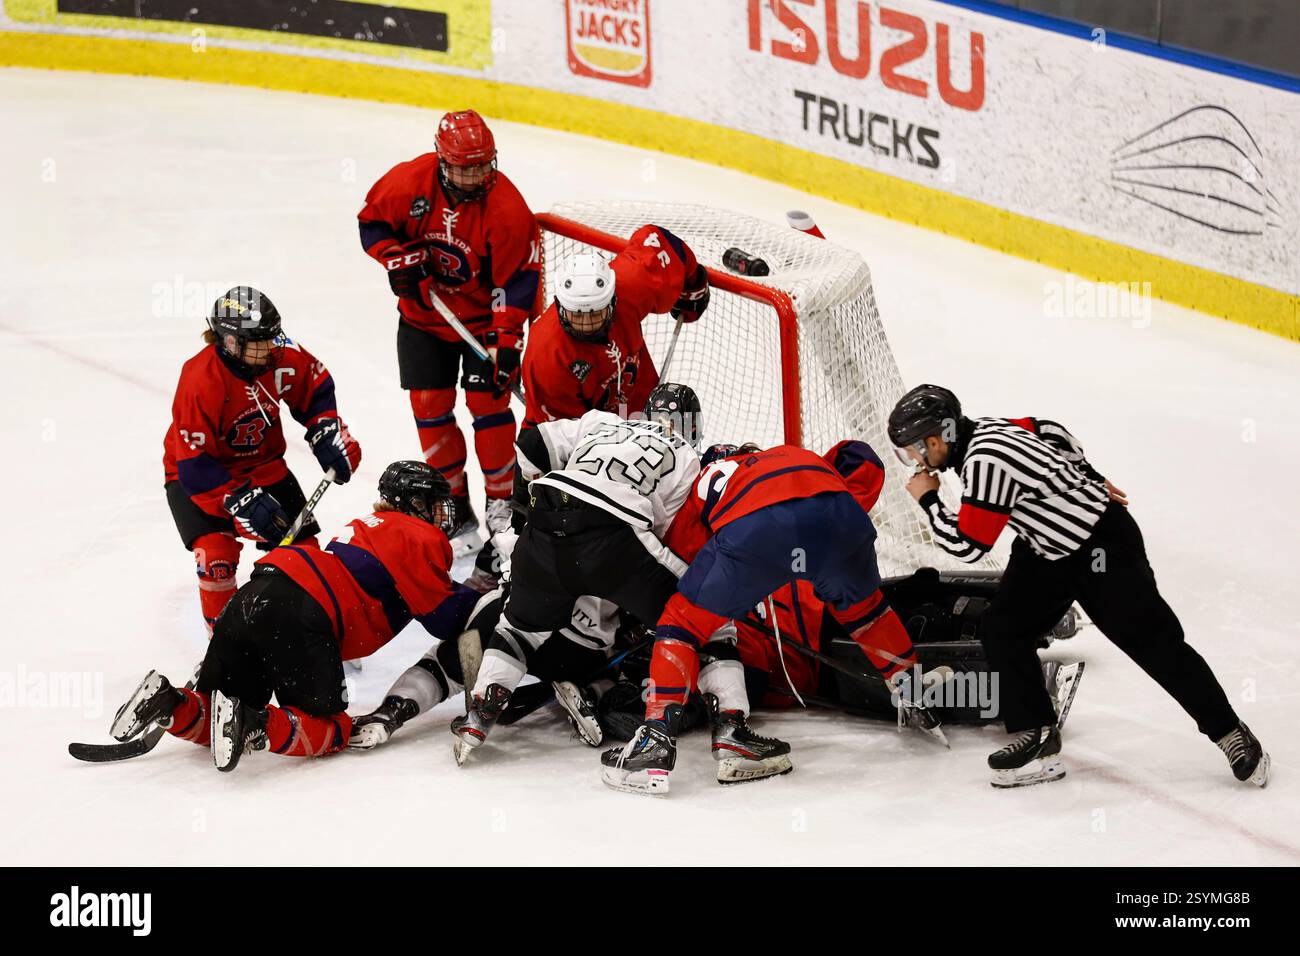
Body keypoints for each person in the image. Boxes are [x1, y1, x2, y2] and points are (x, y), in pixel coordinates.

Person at [887, 384, 1269, 788]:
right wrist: (1087, 478)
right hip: (1046, 551)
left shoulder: (985, 461)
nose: (912, 459)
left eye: (912, 449)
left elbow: (968, 546)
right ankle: (1038, 737)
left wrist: (929, 500)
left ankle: (1230, 732)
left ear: (935, 440)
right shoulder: (989, 430)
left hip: (1101, 547)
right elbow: (1050, 431)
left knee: (1152, 642)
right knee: (1004, 627)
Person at [600, 439, 935, 795]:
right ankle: (914, 693)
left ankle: (655, 741)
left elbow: (683, 561)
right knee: (868, 613)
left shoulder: (708, 476)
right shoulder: (791, 453)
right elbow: (864, 459)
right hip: (841, 515)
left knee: (681, 623)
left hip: (757, 529)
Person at [111, 462, 479, 772]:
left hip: (254, 594)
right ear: (414, 503)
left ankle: (170, 704)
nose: (440, 514)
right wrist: (492, 597)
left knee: (217, 707)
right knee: (332, 728)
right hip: (300, 612)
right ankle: (253, 723)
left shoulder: (365, 526)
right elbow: (446, 618)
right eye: (434, 504)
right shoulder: (418, 534)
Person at [449, 385, 705, 765]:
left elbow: (530, 443)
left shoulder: (602, 422)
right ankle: (724, 719)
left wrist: (526, 512)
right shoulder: (688, 457)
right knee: (694, 614)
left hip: (545, 527)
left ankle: (480, 713)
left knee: (517, 624)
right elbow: (662, 537)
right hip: (612, 544)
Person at [358, 109, 540, 548]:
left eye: (482, 165)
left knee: (491, 409)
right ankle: (451, 504)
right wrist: (399, 262)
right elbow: (373, 223)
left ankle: (501, 505)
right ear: (442, 160)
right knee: (429, 407)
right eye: (464, 166)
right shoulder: (409, 183)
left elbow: (515, 283)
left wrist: (505, 342)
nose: (475, 175)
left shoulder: (508, 211)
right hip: (424, 319)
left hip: (481, 325)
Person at [163, 286, 361, 633]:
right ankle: (225, 643)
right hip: (202, 475)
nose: (271, 348)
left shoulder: (280, 354)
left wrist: (325, 427)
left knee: (303, 554)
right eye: (260, 343)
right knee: (216, 558)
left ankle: (314, 630)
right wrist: (240, 501)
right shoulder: (199, 380)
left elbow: (315, 387)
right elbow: (194, 467)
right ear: (230, 343)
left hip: (265, 467)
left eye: (272, 338)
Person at [521, 226, 709, 428]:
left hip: (642, 414)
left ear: (612, 301)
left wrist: (693, 281)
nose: (586, 325)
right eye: (577, 314)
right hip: (579, 441)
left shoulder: (628, 285)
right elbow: (566, 439)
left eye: (595, 313)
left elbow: (659, 241)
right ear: (560, 306)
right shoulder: (547, 356)